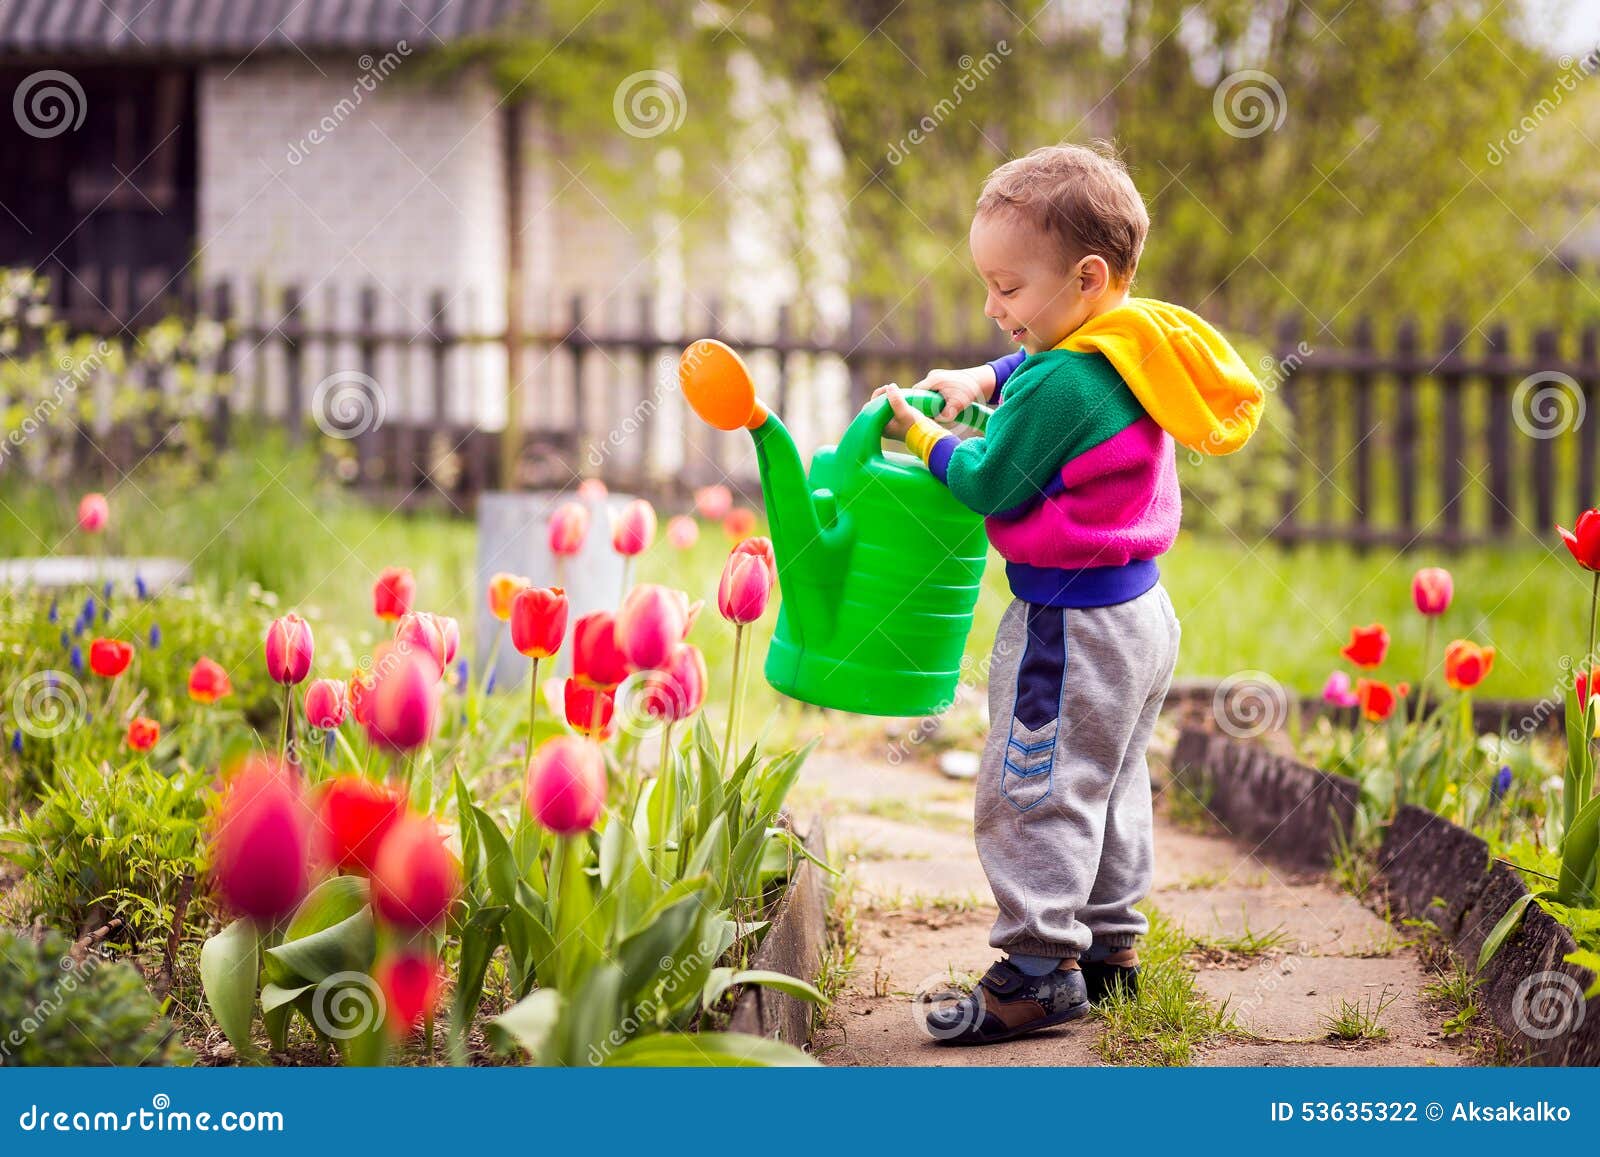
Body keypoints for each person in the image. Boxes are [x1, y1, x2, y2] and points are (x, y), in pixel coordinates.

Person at [875, 142, 1263, 1045]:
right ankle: (1109, 948)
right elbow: (1049, 372)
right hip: (1140, 614)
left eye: (1008, 288)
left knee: (1033, 784)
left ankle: (1037, 970)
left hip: (1067, 621)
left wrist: (927, 434)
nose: (992, 307)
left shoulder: (1063, 377)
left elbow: (988, 480)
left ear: (1086, 276)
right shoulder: (1136, 336)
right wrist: (986, 374)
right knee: (1114, 776)